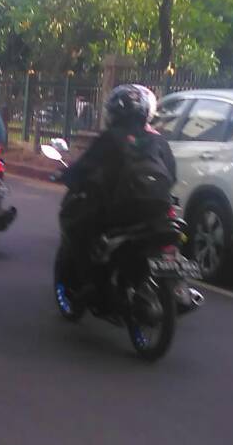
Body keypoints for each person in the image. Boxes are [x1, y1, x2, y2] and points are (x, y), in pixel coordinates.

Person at [58, 84, 176, 294]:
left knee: (79, 225)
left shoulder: (110, 137)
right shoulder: (159, 140)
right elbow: (172, 175)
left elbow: (85, 166)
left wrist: (65, 176)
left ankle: (89, 283)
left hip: (121, 211)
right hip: (159, 209)